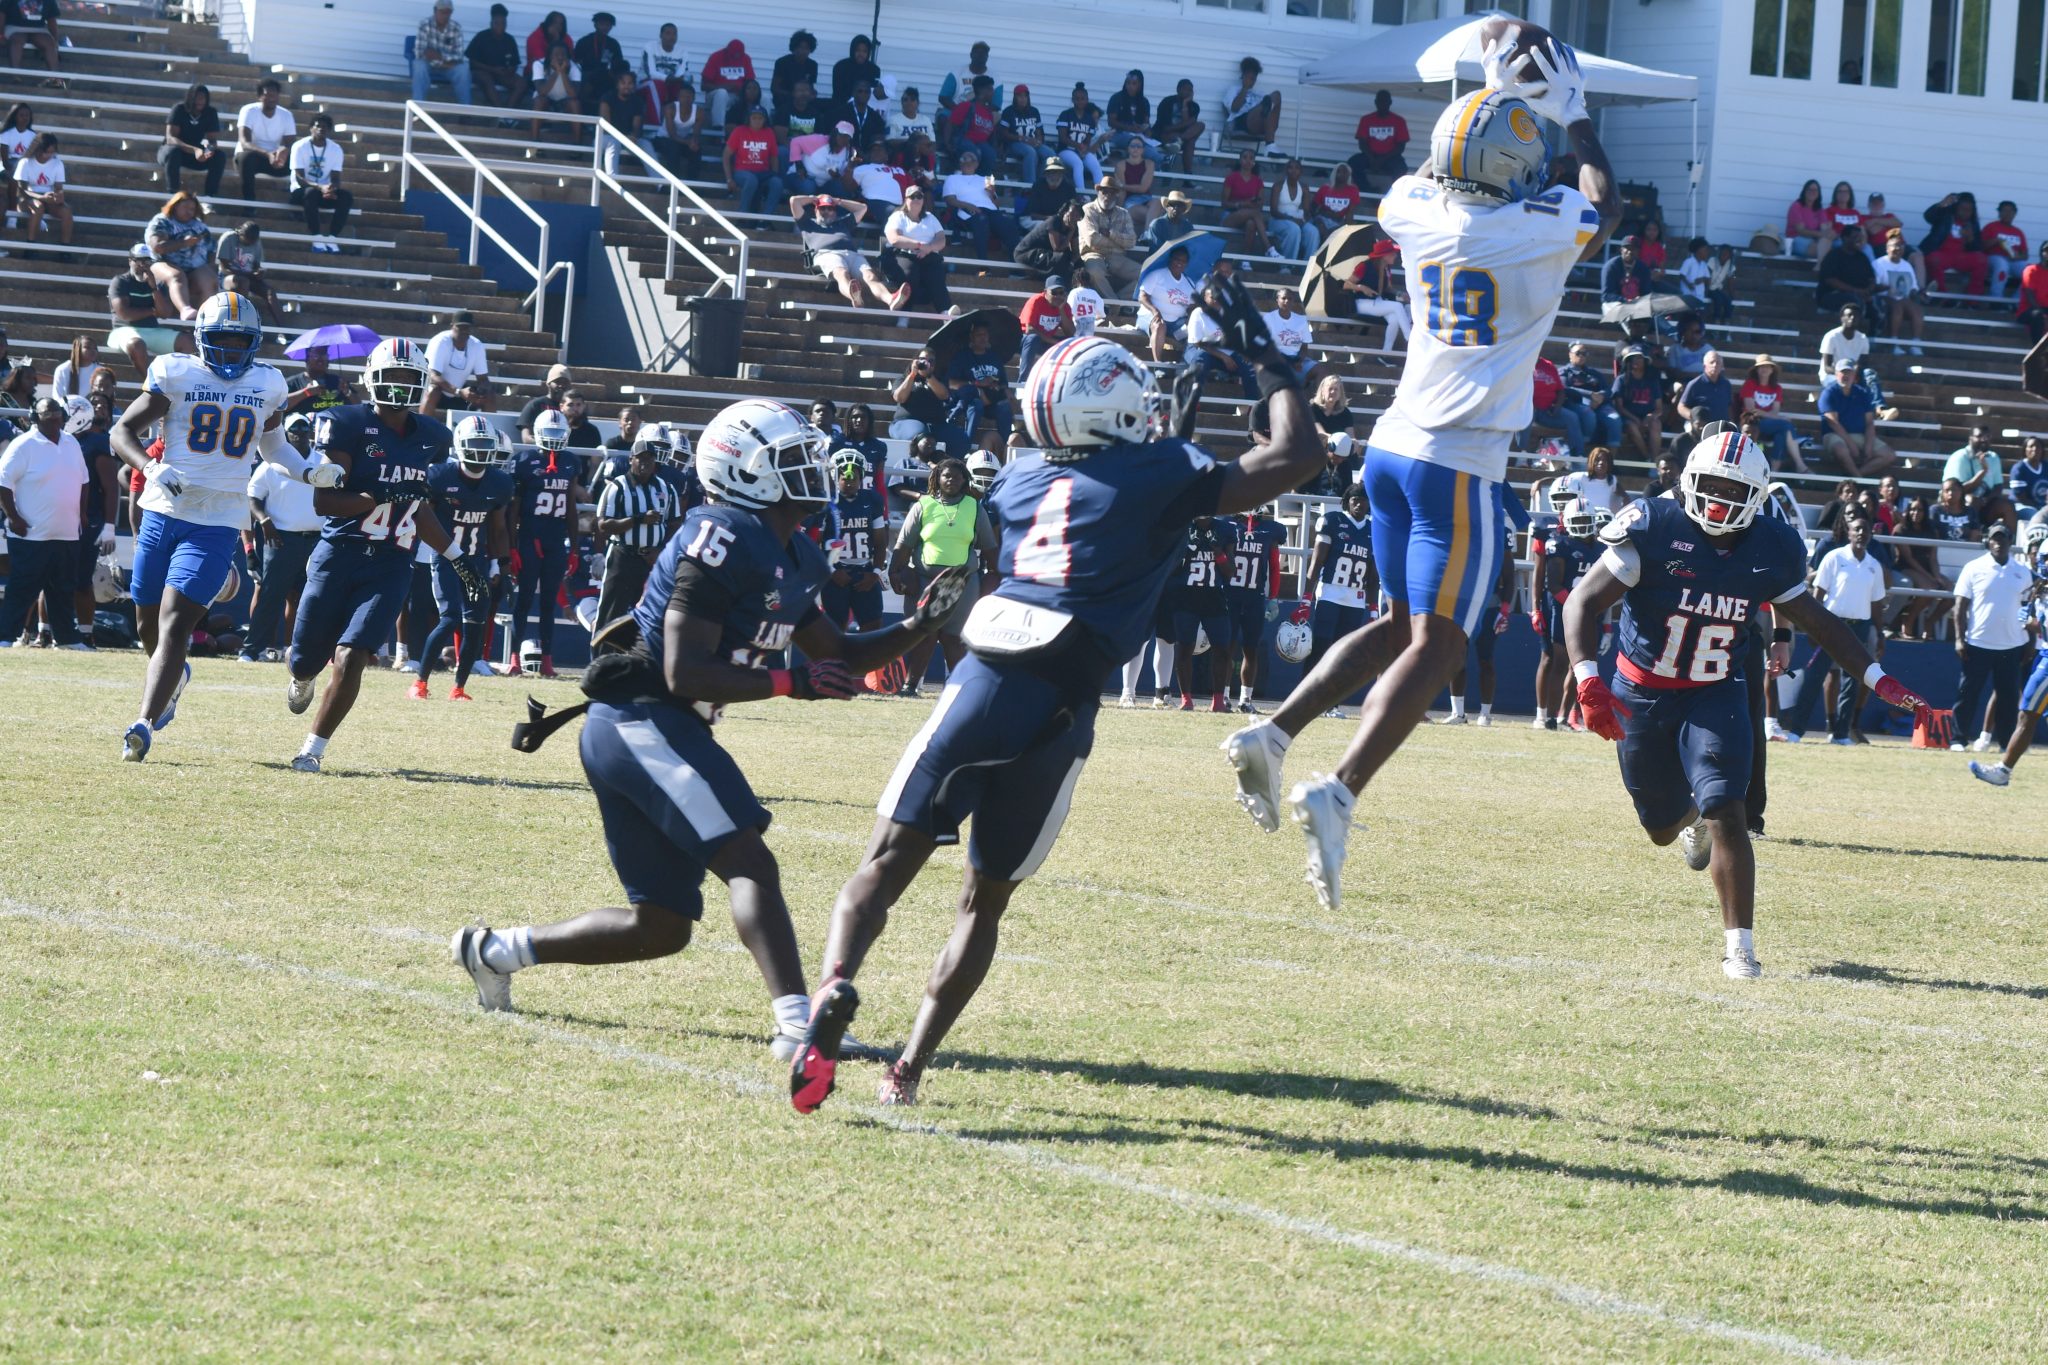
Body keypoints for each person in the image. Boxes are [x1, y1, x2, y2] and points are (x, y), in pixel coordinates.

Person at [802, 290, 1324, 1108]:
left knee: (883, 862)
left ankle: (832, 987)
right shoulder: (1159, 469)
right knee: (984, 898)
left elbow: (1106, 507)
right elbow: (1293, 459)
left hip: (983, 677)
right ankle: (907, 1067)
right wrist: (1275, 368)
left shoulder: (1012, 480)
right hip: (1065, 700)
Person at [453, 400, 968, 1093]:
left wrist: (919, 623)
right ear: (746, 472)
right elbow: (681, 669)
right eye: (791, 460)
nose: (809, 469)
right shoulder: (719, 533)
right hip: (640, 716)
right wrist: (792, 681)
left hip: (657, 725)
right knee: (749, 858)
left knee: (661, 925)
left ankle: (496, 951)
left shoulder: (793, 551)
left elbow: (840, 651)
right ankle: (795, 1023)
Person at [1224, 38, 1620, 912]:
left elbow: (1458, 165)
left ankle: (1274, 730)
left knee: (1399, 624)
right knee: (1441, 647)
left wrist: (1487, 96)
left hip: (1392, 447)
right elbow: (1605, 204)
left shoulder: (1408, 204)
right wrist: (1576, 114)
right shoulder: (1533, 226)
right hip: (1460, 461)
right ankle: (1342, 786)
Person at [1564, 430, 1924, 977]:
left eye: (1733, 489)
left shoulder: (1770, 547)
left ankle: (1741, 950)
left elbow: (1819, 622)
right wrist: (1588, 678)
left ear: (1757, 497)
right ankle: (1689, 821)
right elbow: (1582, 603)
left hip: (1716, 687)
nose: (1717, 498)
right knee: (1660, 827)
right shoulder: (1655, 528)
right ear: (1687, 481)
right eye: (1709, 484)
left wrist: (1877, 676)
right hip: (1642, 690)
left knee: (1728, 809)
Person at [110, 294, 339, 760]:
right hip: (162, 510)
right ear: (202, 340)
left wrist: (309, 472)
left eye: (241, 340)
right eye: (222, 339)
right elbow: (121, 432)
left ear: (253, 343)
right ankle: (175, 677)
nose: (232, 349)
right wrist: (152, 470)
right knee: (147, 624)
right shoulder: (176, 372)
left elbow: (274, 447)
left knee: (176, 622)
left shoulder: (266, 383)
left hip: (218, 519)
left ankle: (143, 722)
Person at [280, 339, 474, 771]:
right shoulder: (344, 422)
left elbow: (419, 509)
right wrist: (380, 494)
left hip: (391, 560)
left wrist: (458, 558)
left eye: (410, 377)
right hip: (339, 551)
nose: (401, 385)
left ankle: (312, 751)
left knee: (352, 655)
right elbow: (325, 504)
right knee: (304, 659)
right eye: (394, 375)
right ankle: (302, 675)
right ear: (373, 378)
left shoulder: (432, 436)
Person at [414, 415, 514, 701]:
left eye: (486, 444)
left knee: (475, 624)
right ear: (460, 445)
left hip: (477, 560)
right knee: (449, 619)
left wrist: (502, 564)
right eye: (476, 444)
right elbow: (423, 516)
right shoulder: (440, 476)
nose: (481, 451)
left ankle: (458, 688)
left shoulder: (499, 483)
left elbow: (498, 528)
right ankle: (420, 682)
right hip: (446, 558)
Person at [886, 457, 996, 689]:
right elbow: (904, 544)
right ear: (937, 478)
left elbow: (989, 548)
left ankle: (959, 688)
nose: (951, 480)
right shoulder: (923, 506)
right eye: (947, 476)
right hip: (926, 579)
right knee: (924, 635)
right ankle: (911, 685)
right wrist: (894, 571)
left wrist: (994, 576)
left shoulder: (975, 508)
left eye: (957, 477)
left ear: (965, 480)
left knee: (953, 638)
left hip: (963, 581)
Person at [1781, 509, 1889, 744]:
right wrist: (1812, 626)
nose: (1861, 533)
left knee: (1853, 682)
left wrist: (1879, 633)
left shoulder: (1874, 566)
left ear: (1871, 534)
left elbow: (1876, 603)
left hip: (1860, 627)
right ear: (1848, 533)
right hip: (1832, 626)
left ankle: (1840, 734)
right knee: (1814, 679)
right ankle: (1796, 731)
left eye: (1866, 530)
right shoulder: (1834, 557)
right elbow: (1818, 594)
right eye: (1857, 529)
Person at [0, 397, 90, 650]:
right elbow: (3, 484)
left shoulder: (71, 442)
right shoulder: (23, 445)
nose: (53, 418)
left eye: (57, 414)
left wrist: (82, 514)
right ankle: (5, 636)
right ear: (34, 417)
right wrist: (14, 518)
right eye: (46, 415)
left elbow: (84, 481)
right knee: (22, 590)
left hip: (67, 534)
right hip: (31, 536)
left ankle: (67, 639)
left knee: (63, 590)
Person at [239, 412, 325, 662]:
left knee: (311, 599)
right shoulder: (272, 463)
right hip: (280, 539)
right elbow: (252, 497)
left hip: (318, 540)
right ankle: (252, 650)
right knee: (270, 596)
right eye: (293, 429)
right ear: (285, 434)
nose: (299, 433)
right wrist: (264, 521)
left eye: (303, 428)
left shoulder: (322, 461)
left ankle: (298, 649)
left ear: (311, 432)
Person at [1969, 524, 2048, 785]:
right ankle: (2003, 770)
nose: (2044, 563)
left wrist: (2033, 624)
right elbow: (2030, 614)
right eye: (2043, 559)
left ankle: (2003, 771)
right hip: (2043, 656)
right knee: (2027, 712)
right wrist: (2029, 617)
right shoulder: (2039, 588)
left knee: (2027, 712)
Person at [509, 406, 585, 677]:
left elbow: (571, 509)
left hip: (555, 538)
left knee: (548, 602)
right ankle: (515, 659)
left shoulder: (570, 462)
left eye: (558, 432)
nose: (554, 437)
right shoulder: (524, 461)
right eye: (549, 432)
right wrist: (512, 544)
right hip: (530, 537)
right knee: (525, 598)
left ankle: (547, 662)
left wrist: (574, 547)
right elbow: (514, 508)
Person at [1952, 520, 2033, 755]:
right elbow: (1960, 606)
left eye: (2003, 538)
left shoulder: (2022, 572)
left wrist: (2028, 641)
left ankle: (2006, 743)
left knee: (2008, 699)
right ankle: (1958, 738)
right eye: (1994, 538)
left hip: (2012, 644)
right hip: (1978, 643)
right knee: (1967, 694)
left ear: (2010, 542)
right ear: (1988, 541)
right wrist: (1959, 638)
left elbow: (2029, 608)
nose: (1998, 543)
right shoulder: (1973, 568)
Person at [1528, 495, 1602, 728]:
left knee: (1580, 666)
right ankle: (1547, 716)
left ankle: (1563, 716)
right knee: (1558, 661)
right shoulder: (1560, 544)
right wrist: (1576, 606)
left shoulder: (1602, 547)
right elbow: (1553, 583)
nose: (1581, 526)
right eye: (1576, 521)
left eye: (1585, 521)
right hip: (1563, 611)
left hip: (1589, 612)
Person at [1299, 484, 1375, 683]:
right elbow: (1316, 563)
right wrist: (1306, 599)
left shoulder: (1373, 529)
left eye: (1364, 500)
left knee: (1345, 651)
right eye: (1355, 500)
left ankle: (1333, 704)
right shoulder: (1333, 521)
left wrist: (1373, 609)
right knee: (1321, 644)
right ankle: (1307, 695)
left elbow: (1373, 575)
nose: (1359, 504)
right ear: (1347, 501)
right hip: (1330, 592)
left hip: (1356, 598)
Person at [810, 451, 889, 630]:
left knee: (873, 627)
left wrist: (875, 572)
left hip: (865, 571)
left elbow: (880, 542)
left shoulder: (872, 499)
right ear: (835, 476)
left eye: (854, 476)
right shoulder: (826, 502)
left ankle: (868, 659)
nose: (850, 481)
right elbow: (815, 543)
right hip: (836, 573)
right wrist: (831, 571)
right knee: (835, 629)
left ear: (861, 477)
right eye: (845, 476)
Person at [788, 192, 896, 308]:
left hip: (852, 254)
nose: (826, 212)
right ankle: (854, 296)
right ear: (816, 210)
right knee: (841, 272)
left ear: (835, 211)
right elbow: (794, 200)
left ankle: (890, 300)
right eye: (822, 208)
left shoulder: (843, 223)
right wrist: (814, 199)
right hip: (827, 254)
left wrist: (838, 201)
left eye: (830, 209)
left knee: (870, 276)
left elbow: (862, 208)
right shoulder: (807, 224)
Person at [1818, 358, 1896, 477]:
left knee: (1889, 455)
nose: (1846, 375)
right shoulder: (1829, 393)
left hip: (1859, 434)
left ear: (1854, 375)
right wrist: (1851, 445)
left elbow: (1869, 422)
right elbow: (1833, 423)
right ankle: (1858, 481)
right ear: (1836, 374)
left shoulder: (1862, 393)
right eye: (1843, 372)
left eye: (1849, 372)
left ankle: (1855, 477)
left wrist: (1869, 446)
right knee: (1841, 450)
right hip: (1835, 434)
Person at [877, 186, 949, 312]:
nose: (916, 199)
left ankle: (945, 313)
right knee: (910, 274)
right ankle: (905, 313)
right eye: (912, 196)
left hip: (928, 255)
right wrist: (920, 245)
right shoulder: (897, 216)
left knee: (937, 276)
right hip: (902, 254)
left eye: (919, 196)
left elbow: (941, 239)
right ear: (906, 199)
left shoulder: (930, 217)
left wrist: (929, 248)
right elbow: (894, 239)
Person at [939, 147, 1020, 259]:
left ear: (976, 164)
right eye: (964, 159)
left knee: (1008, 224)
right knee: (981, 221)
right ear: (960, 163)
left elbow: (996, 205)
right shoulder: (952, 178)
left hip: (990, 211)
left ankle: (1016, 268)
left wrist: (992, 192)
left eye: (971, 160)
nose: (968, 162)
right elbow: (950, 200)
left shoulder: (986, 179)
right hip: (968, 211)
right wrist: (968, 205)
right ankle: (983, 267)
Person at [287, 114, 352, 251]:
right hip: (301, 192)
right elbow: (299, 178)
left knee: (346, 196)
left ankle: (332, 238)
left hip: (323, 192)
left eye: (325, 127)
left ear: (329, 130)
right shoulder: (299, 146)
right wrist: (320, 187)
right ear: (311, 128)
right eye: (318, 126)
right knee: (311, 193)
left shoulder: (335, 149)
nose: (321, 129)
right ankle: (316, 238)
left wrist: (332, 189)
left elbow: (335, 177)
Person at [945, 322, 1011, 442]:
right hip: (970, 401)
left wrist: (997, 385)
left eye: (985, 334)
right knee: (976, 405)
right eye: (978, 335)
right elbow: (951, 383)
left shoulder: (995, 358)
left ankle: (1005, 447)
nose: (983, 338)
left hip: (992, 401)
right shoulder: (962, 357)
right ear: (971, 337)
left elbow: (1004, 384)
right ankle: (966, 444)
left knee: (1005, 407)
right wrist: (977, 383)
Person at [160, 83, 226, 197]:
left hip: (193, 155)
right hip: (173, 152)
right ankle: (173, 195)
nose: (200, 101)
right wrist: (194, 150)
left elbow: (212, 141)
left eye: (203, 98)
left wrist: (207, 153)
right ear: (190, 97)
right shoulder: (179, 109)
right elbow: (170, 138)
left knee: (219, 156)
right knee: (173, 152)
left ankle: (210, 197)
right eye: (197, 97)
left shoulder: (210, 112)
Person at [235, 78, 296, 201]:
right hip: (253, 156)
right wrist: (268, 154)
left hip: (275, 160)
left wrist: (283, 152)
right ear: (259, 96)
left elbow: (291, 145)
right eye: (267, 95)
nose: (271, 98)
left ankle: (296, 204)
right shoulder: (248, 111)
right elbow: (245, 143)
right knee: (245, 158)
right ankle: (249, 203)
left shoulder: (286, 115)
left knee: (298, 161)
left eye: (274, 95)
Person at [1078, 177, 1138, 300]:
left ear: (1117, 194)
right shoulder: (1087, 209)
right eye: (1104, 191)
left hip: (1117, 257)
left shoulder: (1124, 213)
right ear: (1098, 191)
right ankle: (1113, 303)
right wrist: (1119, 242)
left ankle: (1119, 300)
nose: (1107, 195)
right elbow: (1092, 239)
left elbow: (1131, 241)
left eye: (1112, 192)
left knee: (1145, 275)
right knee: (1094, 272)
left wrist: (1111, 234)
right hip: (1093, 254)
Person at [422, 310, 491, 417]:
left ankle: (489, 431)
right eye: (461, 327)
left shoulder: (477, 345)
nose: (464, 331)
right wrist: (459, 391)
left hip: (460, 395)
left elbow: (483, 379)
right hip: (440, 394)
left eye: (467, 328)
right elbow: (433, 375)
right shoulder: (440, 342)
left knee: (489, 395)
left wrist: (482, 391)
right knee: (433, 390)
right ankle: (423, 426)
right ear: (452, 326)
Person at [1920, 191, 1988, 296]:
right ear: (1956, 207)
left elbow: (1977, 248)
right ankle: (1942, 296)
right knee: (1933, 259)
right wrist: (1942, 204)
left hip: (1961, 257)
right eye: (1962, 209)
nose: (1966, 213)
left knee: (1981, 259)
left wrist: (1970, 239)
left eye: (1969, 210)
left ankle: (1973, 299)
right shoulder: (1945, 215)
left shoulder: (1973, 223)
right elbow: (1928, 216)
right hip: (1942, 254)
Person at [1137, 243, 1196, 362]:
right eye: (1177, 259)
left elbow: (1191, 306)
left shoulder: (1189, 282)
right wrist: (1155, 311)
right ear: (1170, 259)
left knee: (1196, 328)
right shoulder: (1157, 275)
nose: (1180, 263)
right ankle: (1158, 364)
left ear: (1186, 264)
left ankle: (1186, 365)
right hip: (1150, 317)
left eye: (1183, 261)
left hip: (1176, 324)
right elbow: (1142, 297)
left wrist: (1191, 317)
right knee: (1160, 325)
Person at [1345, 240, 1407, 352]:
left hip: (1378, 301)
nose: (1395, 256)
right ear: (1384, 256)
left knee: (1394, 319)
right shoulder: (1364, 266)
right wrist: (1362, 287)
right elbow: (1346, 284)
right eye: (1392, 254)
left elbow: (1387, 288)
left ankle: (1386, 351)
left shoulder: (1386, 268)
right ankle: (1409, 338)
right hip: (1362, 303)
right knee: (1397, 307)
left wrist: (1400, 293)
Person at [215, 220, 281, 324]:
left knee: (270, 292)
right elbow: (225, 268)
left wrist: (259, 273)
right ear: (240, 234)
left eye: (253, 241)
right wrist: (248, 274)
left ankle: (283, 330)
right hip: (227, 278)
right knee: (244, 282)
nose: (250, 243)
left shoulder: (256, 242)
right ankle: (242, 320)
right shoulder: (228, 238)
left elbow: (256, 266)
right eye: (248, 240)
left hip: (248, 276)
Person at [13, 131, 69, 253]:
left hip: (48, 199)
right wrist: (42, 197)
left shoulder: (58, 164)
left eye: (51, 152)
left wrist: (58, 196)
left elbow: (58, 187)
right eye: (45, 152)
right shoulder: (25, 163)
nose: (48, 155)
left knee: (67, 212)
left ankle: (65, 249)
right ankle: (30, 245)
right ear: (37, 149)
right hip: (27, 199)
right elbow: (22, 190)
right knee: (38, 208)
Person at [1872, 229, 1925, 354]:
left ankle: (1915, 344)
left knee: (1917, 310)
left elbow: (1913, 288)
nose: (1897, 249)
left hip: (1903, 298)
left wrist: (1919, 294)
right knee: (1897, 307)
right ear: (1887, 248)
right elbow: (1874, 286)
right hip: (1883, 297)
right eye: (1894, 246)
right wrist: (1889, 288)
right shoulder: (1878, 264)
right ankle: (1893, 343)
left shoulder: (1906, 265)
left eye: (1900, 246)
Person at [410, 0, 472, 104]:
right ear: (435, 11)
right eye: (442, 12)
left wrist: (439, 56)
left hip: (446, 67)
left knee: (464, 69)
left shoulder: (456, 28)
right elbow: (419, 53)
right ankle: (418, 108)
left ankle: (466, 111)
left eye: (448, 12)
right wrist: (446, 62)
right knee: (419, 66)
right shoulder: (424, 24)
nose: (446, 15)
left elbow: (459, 56)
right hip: (432, 65)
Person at [720, 105, 778, 215]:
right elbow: (726, 155)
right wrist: (729, 179)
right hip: (742, 172)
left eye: (760, 118)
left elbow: (774, 157)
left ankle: (765, 219)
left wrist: (774, 173)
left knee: (777, 183)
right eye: (754, 118)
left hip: (763, 173)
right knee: (751, 180)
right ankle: (743, 215)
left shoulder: (769, 132)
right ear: (749, 119)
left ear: (765, 120)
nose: (757, 121)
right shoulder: (739, 131)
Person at [468, 3, 526, 109]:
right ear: (491, 23)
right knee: (486, 79)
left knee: (521, 83)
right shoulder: (481, 37)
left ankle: (508, 111)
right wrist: (492, 69)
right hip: (482, 73)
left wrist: (510, 70)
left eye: (503, 23)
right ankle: (500, 111)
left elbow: (515, 63)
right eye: (497, 23)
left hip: (502, 74)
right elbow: (472, 61)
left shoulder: (509, 40)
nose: (500, 26)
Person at [1222, 55, 1282, 154]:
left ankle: (1270, 144)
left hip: (1261, 123)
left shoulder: (1259, 93)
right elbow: (1235, 108)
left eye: (1254, 79)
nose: (1252, 81)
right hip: (1241, 121)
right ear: (1243, 76)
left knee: (1276, 95)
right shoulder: (1233, 89)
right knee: (1266, 102)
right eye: (1249, 78)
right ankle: (1270, 145)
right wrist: (1244, 88)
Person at [1351, 89, 1408, 191]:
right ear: (1376, 102)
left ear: (1390, 103)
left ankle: (1393, 193)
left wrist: (1382, 159)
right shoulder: (1366, 119)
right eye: (1380, 101)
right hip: (1369, 156)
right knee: (1352, 163)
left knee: (1401, 169)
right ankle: (1367, 190)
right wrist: (1372, 159)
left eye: (1385, 101)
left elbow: (1401, 147)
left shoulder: (1399, 121)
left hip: (1391, 157)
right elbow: (1362, 144)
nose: (1382, 104)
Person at [1220, 148, 1271, 257]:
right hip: (1231, 215)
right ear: (1240, 160)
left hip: (1249, 216)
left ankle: (1246, 259)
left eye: (1251, 158)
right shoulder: (1231, 178)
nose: (1248, 161)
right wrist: (1242, 204)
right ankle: (1269, 248)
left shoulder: (1258, 181)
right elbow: (1224, 203)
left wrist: (1253, 203)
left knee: (1251, 223)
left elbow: (1260, 203)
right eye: (1245, 157)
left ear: (1254, 162)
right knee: (1255, 214)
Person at [1018, 274, 1073, 376]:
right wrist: (1055, 342)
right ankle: (1023, 380)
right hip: (1024, 340)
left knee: (1072, 343)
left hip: (1046, 340)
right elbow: (1030, 330)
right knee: (1033, 338)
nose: (1058, 296)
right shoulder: (1036, 301)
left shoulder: (1064, 306)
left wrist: (1061, 310)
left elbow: (1071, 333)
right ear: (1045, 292)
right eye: (1054, 292)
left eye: (1061, 293)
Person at [1150, 77, 1205, 174]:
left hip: (1179, 138)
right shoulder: (1167, 102)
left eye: (1190, 90)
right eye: (1185, 89)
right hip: (1164, 135)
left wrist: (1185, 105)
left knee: (1200, 125)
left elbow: (1189, 126)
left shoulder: (1194, 106)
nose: (1187, 92)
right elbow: (1165, 128)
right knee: (1190, 141)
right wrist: (1187, 124)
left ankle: (1179, 141)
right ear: (1178, 89)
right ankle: (1188, 177)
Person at [1053, 83, 1103, 188]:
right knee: (1078, 163)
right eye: (1077, 99)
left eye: (1082, 99)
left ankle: (1102, 193)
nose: (1080, 101)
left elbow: (1088, 139)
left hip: (1081, 150)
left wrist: (1084, 149)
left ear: (1087, 100)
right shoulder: (1065, 115)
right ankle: (1082, 194)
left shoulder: (1089, 119)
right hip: (1065, 150)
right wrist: (1077, 146)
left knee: (1095, 164)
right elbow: (1062, 137)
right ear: (1072, 100)